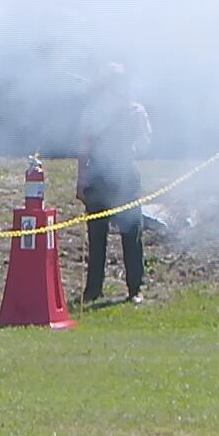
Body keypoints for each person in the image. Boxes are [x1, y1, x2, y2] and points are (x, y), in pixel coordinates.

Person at [77, 63, 152, 304]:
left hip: (125, 175)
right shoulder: (93, 112)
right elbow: (84, 147)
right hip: (98, 176)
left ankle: (135, 288)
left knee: (132, 233)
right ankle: (93, 289)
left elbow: (144, 145)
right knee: (96, 236)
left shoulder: (135, 111)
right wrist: (81, 180)